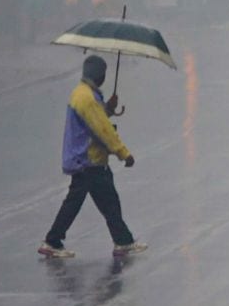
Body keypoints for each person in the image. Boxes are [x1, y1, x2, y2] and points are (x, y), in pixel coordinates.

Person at [38, 55, 148, 259]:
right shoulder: (87, 99)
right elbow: (103, 130)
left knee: (108, 201)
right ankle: (52, 240)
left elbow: (97, 118)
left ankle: (123, 240)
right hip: (88, 160)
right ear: (99, 75)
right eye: (103, 74)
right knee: (79, 203)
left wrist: (107, 108)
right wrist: (124, 154)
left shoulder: (82, 94)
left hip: (86, 160)